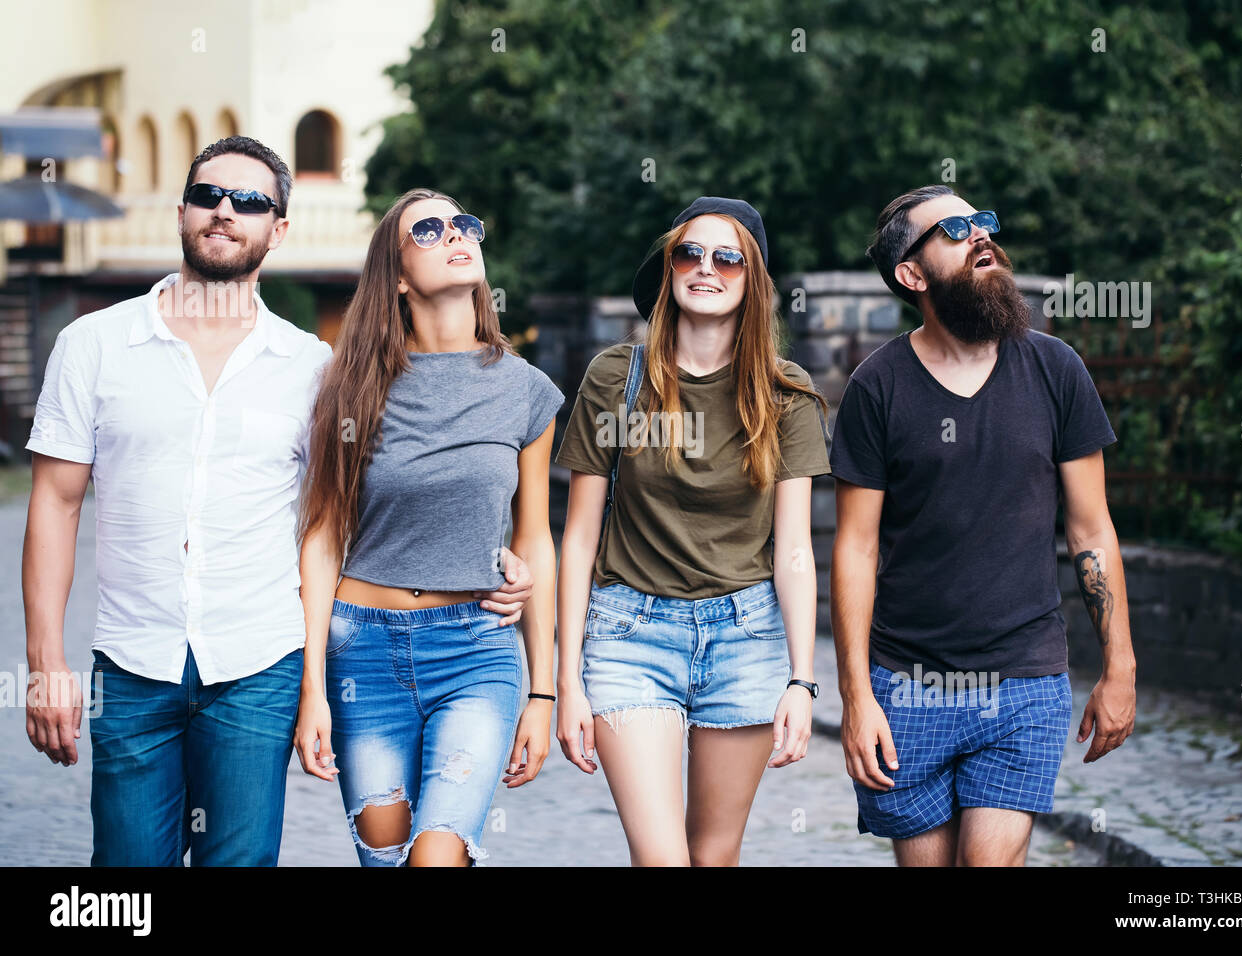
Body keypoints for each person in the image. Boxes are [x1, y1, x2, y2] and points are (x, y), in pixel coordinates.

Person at [22, 136, 328, 865]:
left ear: (278, 229)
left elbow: (328, 530)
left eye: (250, 202)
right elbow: (56, 505)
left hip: (260, 665)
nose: (225, 212)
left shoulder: (311, 366)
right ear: (181, 210)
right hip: (132, 663)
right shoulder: (93, 343)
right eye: (208, 195)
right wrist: (44, 664)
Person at [830, 184, 1137, 866]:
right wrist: (856, 697)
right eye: (954, 230)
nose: (980, 235)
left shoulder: (1056, 370)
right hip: (906, 684)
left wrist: (1120, 665)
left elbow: (1091, 530)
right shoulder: (877, 388)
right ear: (911, 274)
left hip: (1024, 676)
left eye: (983, 222)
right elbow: (855, 547)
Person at [554, 196, 831, 866]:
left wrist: (802, 679)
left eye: (727, 257)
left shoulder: (785, 395)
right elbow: (579, 536)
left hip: (746, 638)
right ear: (670, 268)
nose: (706, 268)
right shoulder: (618, 381)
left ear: (753, 280)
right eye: (690, 253)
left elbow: (794, 550)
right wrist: (566, 680)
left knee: (712, 855)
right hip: (630, 636)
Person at [293, 187, 563, 867]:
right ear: (400, 277)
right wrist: (314, 691)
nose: (456, 234)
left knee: (434, 856)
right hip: (361, 652)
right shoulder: (349, 385)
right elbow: (323, 535)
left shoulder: (524, 389)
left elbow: (534, 537)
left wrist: (542, 691)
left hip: (476, 648)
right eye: (430, 229)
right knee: (385, 859)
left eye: (465, 222)